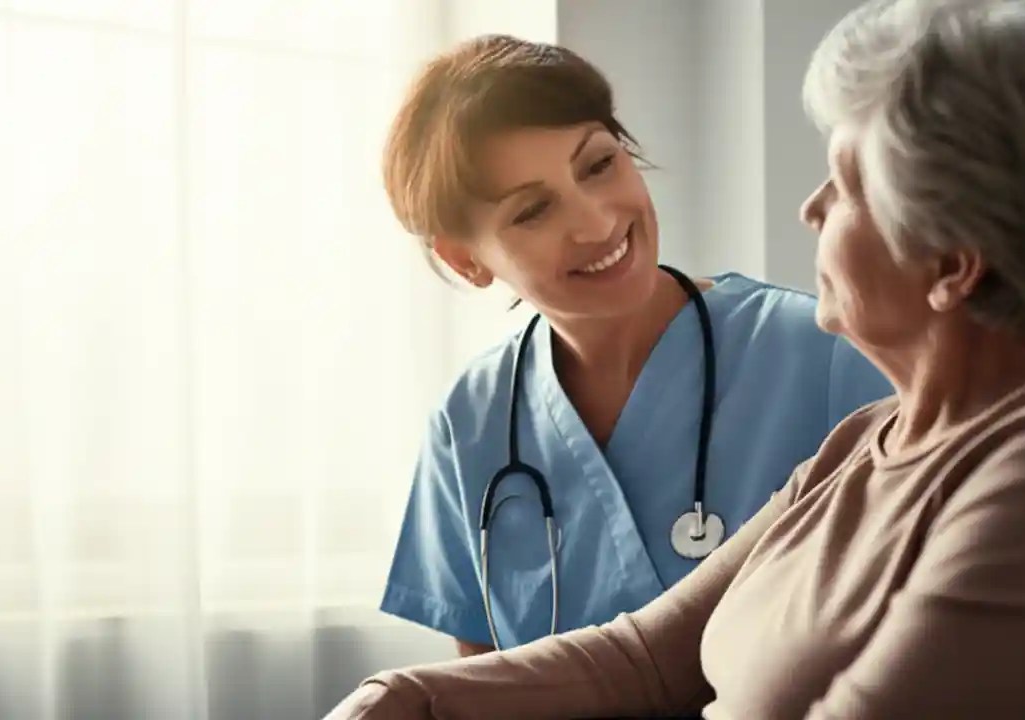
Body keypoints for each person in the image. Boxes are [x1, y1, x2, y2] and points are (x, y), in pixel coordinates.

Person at [332, 0, 1025, 717]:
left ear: (952, 266)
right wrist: (413, 693)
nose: (808, 210)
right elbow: (647, 656)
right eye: (531, 211)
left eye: (845, 186)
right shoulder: (875, 438)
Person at [376, 34, 894, 655]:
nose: (596, 222)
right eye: (533, 210)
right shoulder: (471, 422)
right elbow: (481, 684)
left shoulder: (826, 354)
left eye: (599, 165)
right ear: (464, 260)